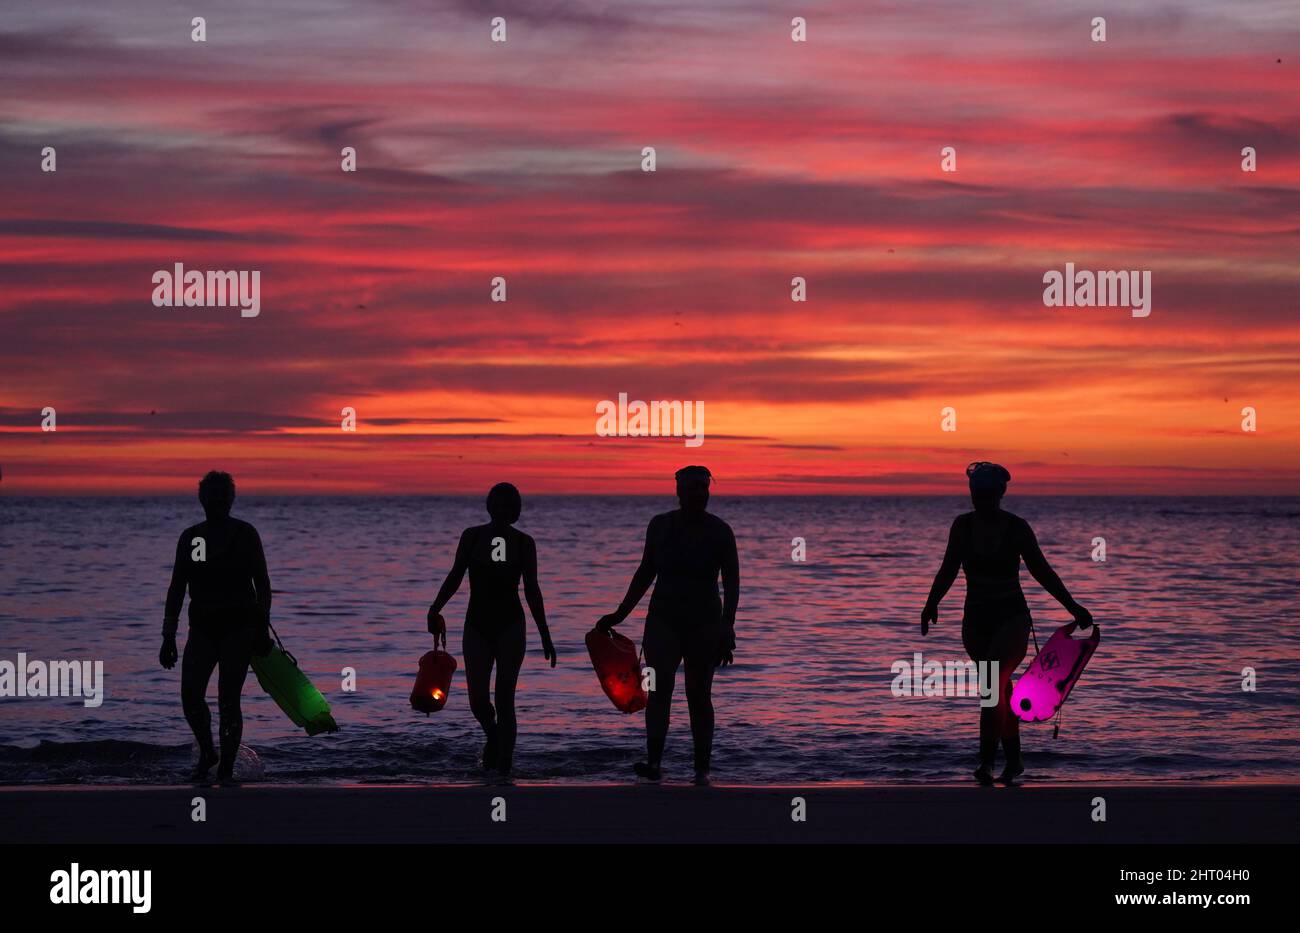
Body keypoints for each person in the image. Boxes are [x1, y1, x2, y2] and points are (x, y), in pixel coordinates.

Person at [922, 461, 1092, 785]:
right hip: (975, 620)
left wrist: (1073, 607)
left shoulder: (1017, 528)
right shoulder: (963, 527)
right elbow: (948, 569)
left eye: (986, 493)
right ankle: (1013, 762)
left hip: (1011, 618)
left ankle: (985, 763)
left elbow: (1042, 571)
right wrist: (931, 604)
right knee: (999, 690)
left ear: (999, 494)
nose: (980, 499)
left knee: (990, 687)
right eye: (975, 493)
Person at [596, 465, 739, 785]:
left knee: (699, 695)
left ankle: (701, 769)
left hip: (705, 622)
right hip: (663, 621)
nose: (699, 493)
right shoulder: (660, 526)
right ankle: (654, 763)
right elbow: (646, 571)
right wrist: (620, 613)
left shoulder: (720, 531)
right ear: (678, 491)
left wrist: (727, 627)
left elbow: (732, 582)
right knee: (658, 692)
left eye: (703, 488)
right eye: (692, 488)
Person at [427, 483, 556, 782]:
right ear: (489, 506)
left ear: (516, 510)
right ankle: (494, 736)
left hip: (511, 625)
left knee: (505, 698)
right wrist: (435, 608)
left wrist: (545, 634)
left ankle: (504, 767)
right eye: (497, 503)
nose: (502, 510)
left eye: (509, 505)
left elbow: (532, 590)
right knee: (477, 700)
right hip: (477, 625)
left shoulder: (525, 543)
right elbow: (456, 575)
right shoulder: (472, 537)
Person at [159, 471, 273, 785]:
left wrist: (261, 627)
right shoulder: (191, 537)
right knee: (190, 696)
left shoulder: (245, 534)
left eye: (223, 496)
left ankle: (225, 767)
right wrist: (168, 635)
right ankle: (209, 752)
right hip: (202, 630)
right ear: (202, 500)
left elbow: (262, 585)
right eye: (212, 496)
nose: (217, 502)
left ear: (231, 500)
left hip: (239, 629)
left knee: (228, 700)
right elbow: (177, 588)